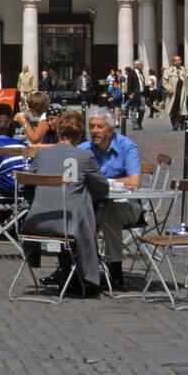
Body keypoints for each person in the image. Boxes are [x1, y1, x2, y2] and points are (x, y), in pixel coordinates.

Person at [28, 110, 110, 296]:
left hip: (37, 221)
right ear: (80, 135)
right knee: (81, 206)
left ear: (58, 131)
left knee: (70, 205)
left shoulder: (42, 155)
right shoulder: (84, 156)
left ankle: (67, 271)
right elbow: (102, 188)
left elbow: (26, 185)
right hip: (70, 224)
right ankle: (86, 276)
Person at [82, 111, 142, 291]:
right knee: (79, 214)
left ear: (111, 130)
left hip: (127, 206)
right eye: (92, 126)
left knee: (112, 212)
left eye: (100, 127)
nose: (95, 131)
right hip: (93, 207)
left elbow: (134, 181)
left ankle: (115, 268)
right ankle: (79, 268)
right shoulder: (83, 149)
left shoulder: (126, 146)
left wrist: (103, 183)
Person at [162, 56, 188, 130]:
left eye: (180, 60)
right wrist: (169, 88)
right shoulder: (167, 71)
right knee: (173, 109)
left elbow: (186, 82)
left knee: (182, 109)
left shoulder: (182, 69)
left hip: (181, 92)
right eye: (178, 60)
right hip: (172, 93)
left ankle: (180, 123)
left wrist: (187, 92)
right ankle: (174, 124)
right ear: (174, 62)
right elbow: (164, 82)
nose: (180, 62)